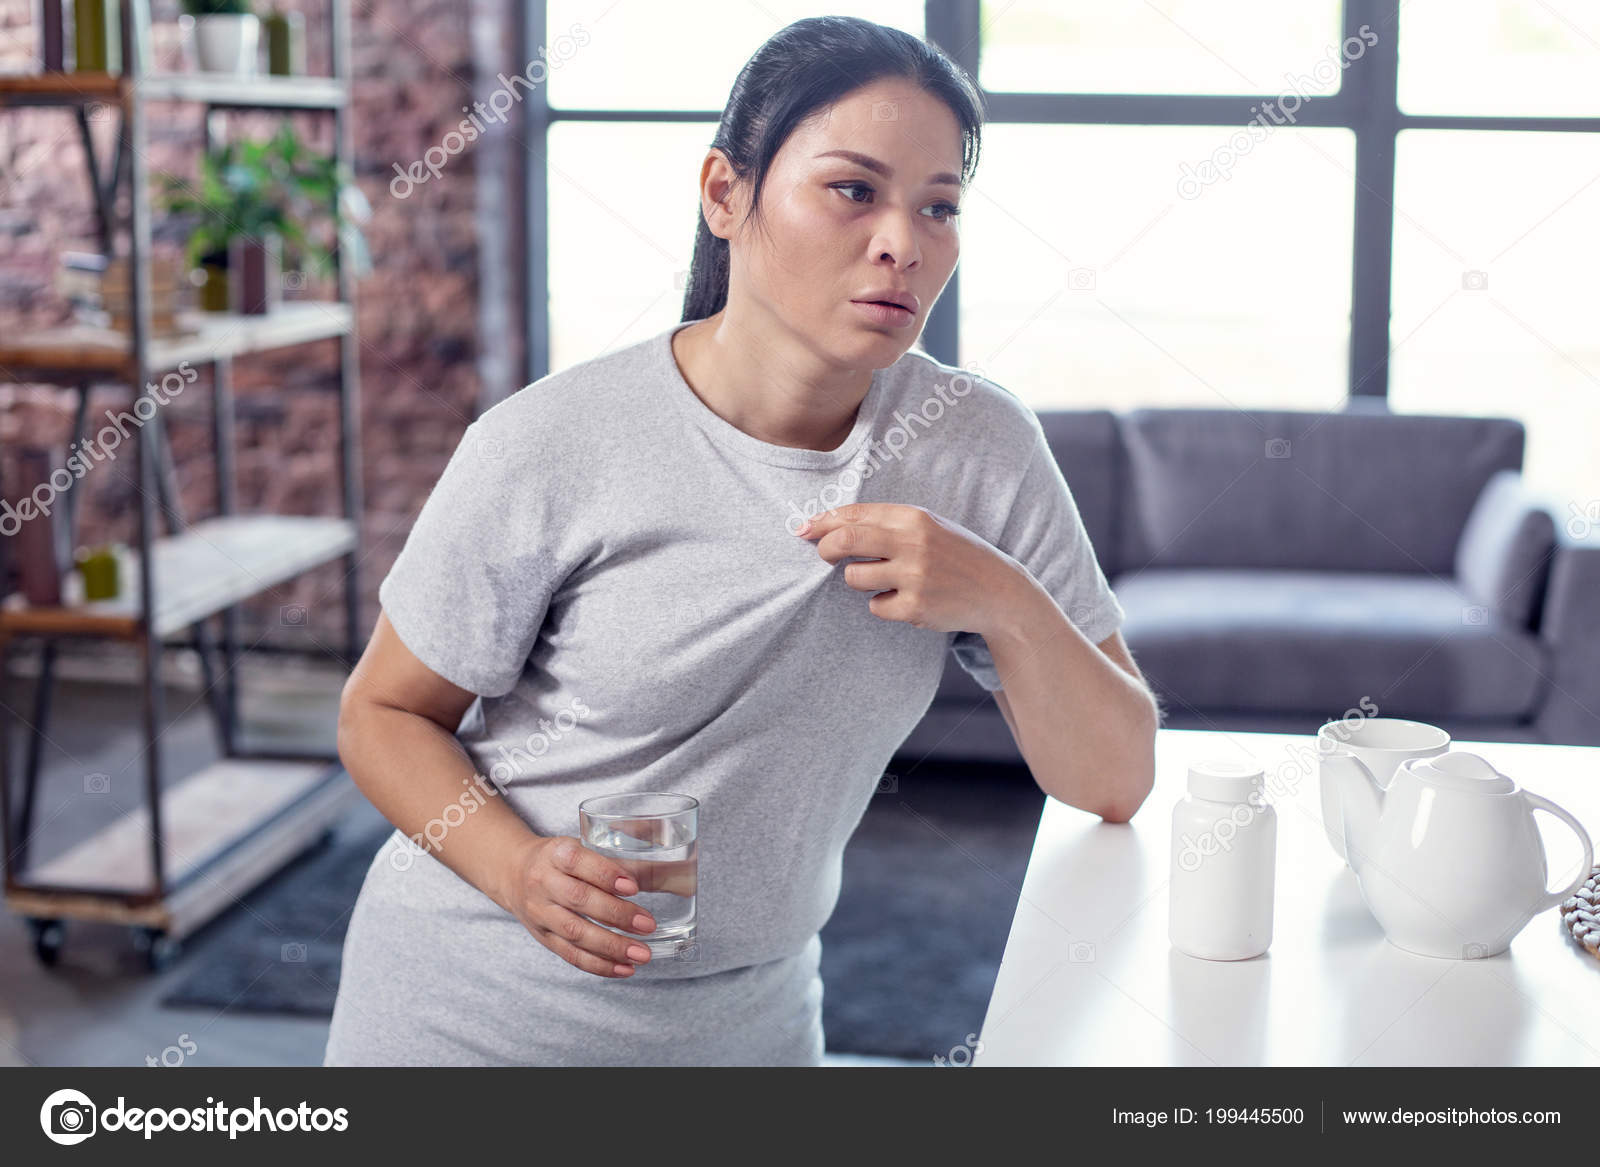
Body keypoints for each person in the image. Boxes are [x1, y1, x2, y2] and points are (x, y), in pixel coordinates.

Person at [323, 14, 1158, 1068]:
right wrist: (520, 871)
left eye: (939, 205)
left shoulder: (977, 450)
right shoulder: (550, 442)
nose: (903, 242)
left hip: (750, 1028)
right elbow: (382, 713)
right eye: (852, 189)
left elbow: (1115, 778)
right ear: (725, 193)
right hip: (472, 1018)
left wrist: (1002, 598)